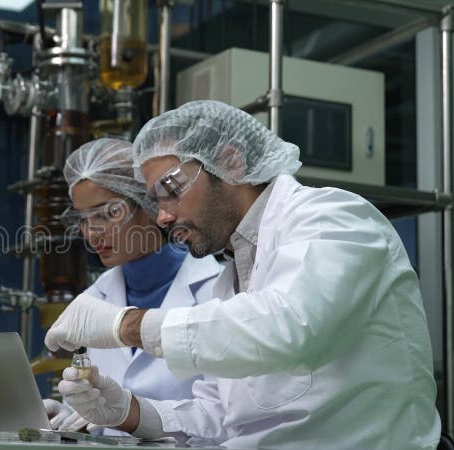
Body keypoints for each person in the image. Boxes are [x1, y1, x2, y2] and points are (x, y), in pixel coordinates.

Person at [44, 100, 441, 449]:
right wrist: (126, 411)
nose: (164, 217)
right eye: (155, 201)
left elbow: (287, 324)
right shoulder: (232, 277)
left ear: (231, 163)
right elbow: (219, 417)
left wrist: (127, 325)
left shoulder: (333, 218)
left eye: (172, 189)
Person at [42, 138, 222, 435]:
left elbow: (224, 419)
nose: (92, 234)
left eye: (108, 213)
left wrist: (128, 415)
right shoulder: (94, 299)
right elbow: (98, 406)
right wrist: (72, 418)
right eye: (83, 220)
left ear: (151, 205)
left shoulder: (217, 292)